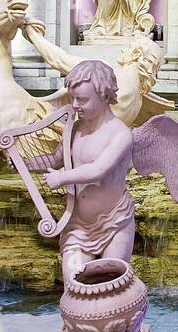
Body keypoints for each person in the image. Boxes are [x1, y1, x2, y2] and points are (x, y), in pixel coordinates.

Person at [27, 61, 138, 286]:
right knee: (74, 287)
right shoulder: (75, 129)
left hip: (115, 222)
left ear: (104, 95)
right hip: (77, 226)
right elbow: (56, 159)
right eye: (73, 98)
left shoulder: (120, 134)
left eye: (83, 99)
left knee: (111, 288)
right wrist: (25, 162)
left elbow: (98, 170)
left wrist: (62, 178)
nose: (75, 105)